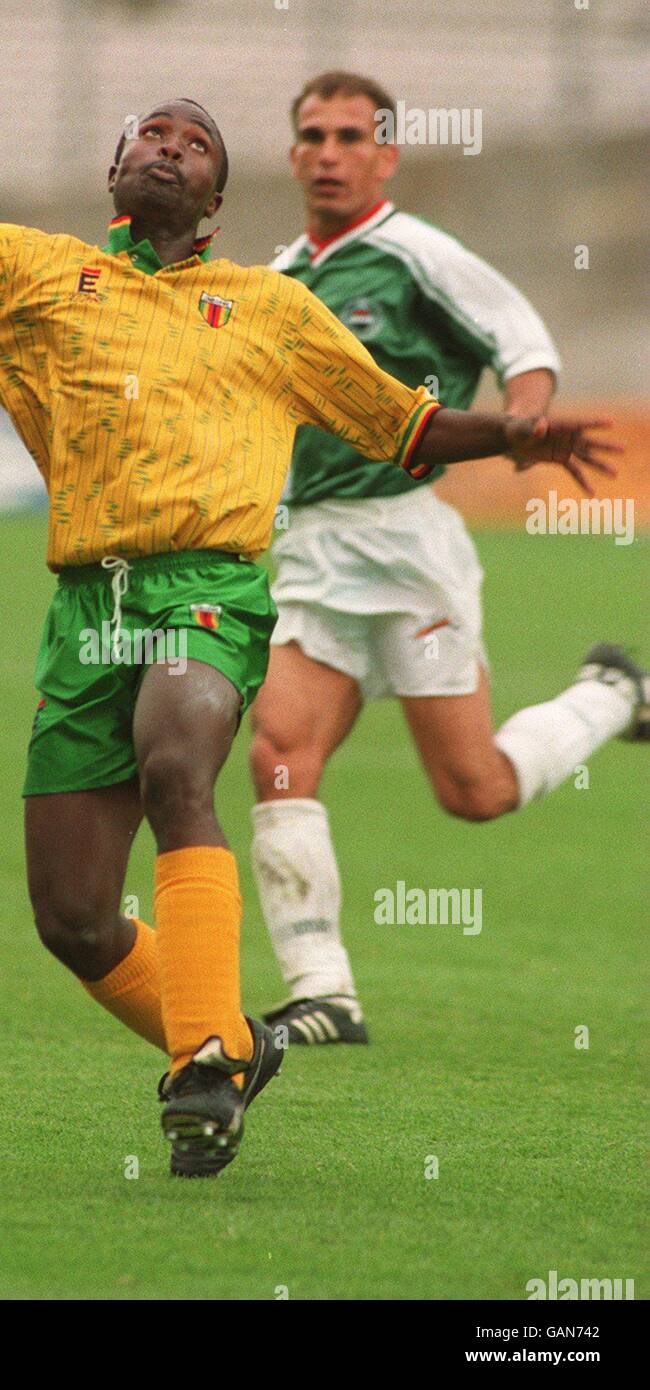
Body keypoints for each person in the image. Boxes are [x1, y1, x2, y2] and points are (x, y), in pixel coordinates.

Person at [0, 98, 620, 1175]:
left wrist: (513, 434)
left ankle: (200, 1065)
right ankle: (237, 1039)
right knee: (70, 916)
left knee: (179, 761)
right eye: (149, 134)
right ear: (114, 167)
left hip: (206, 586)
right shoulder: (28, 275)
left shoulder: (270, 309)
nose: (168, 146)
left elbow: (404, 424)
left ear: (214, 198)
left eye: (194, 141)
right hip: (85, 611)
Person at [249, 73, 646, 1045]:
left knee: (472, 791)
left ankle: (609, 693)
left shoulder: (414, 255)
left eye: (350, 136)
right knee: (276, 758)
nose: (329, 151)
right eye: (313, 135)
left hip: (404, 550)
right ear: (293, 153)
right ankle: (323, 990)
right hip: (310, 553)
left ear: (385, 155)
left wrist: (522, 419)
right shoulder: (279, 274)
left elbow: (520, 338)